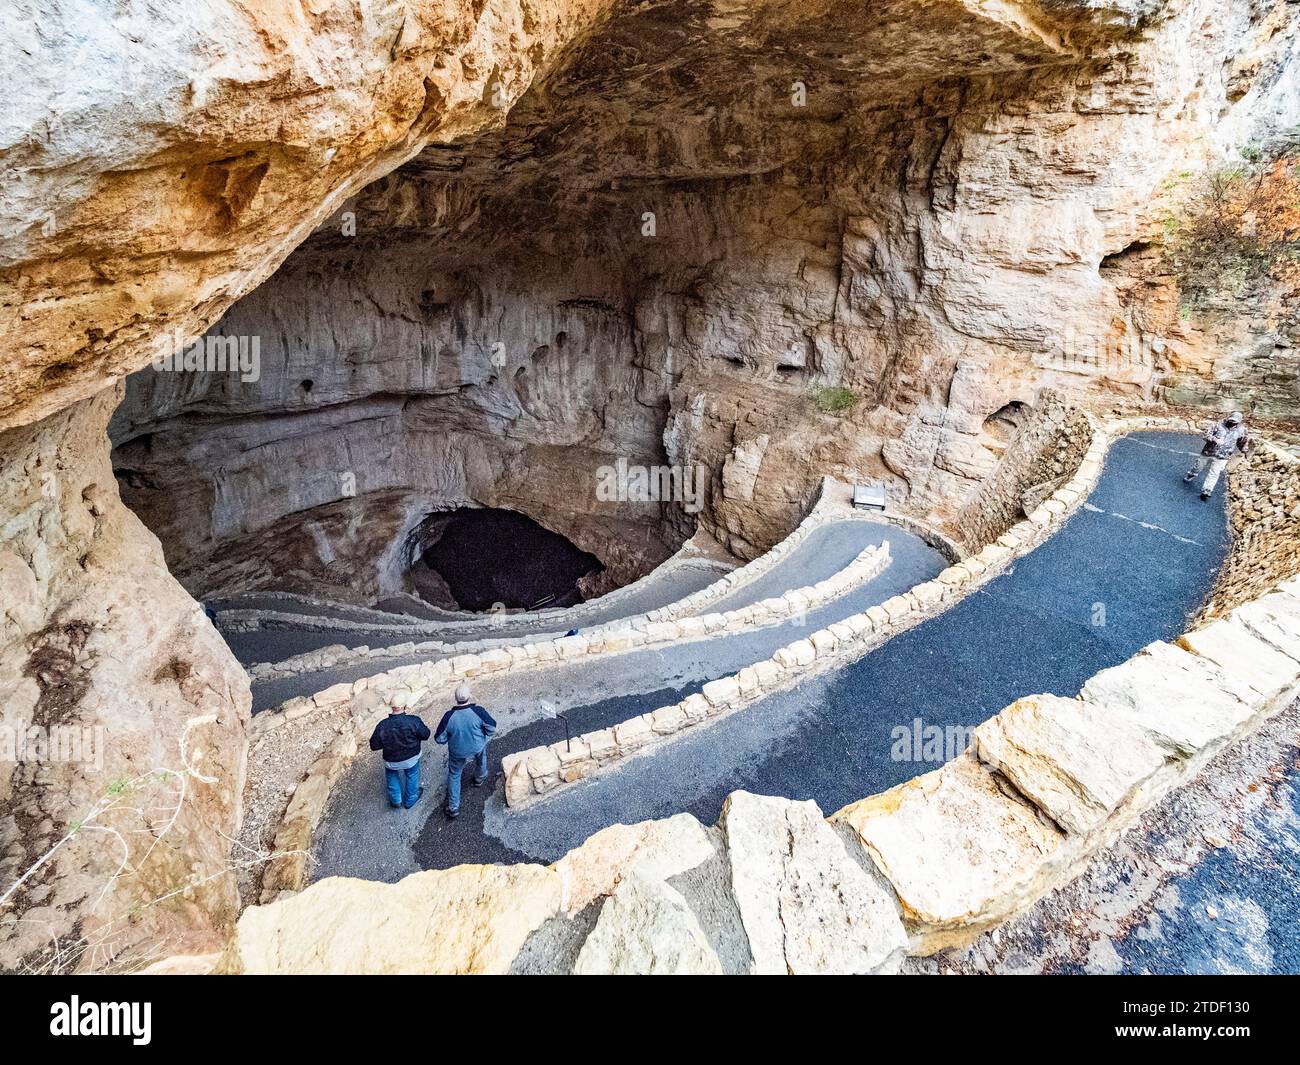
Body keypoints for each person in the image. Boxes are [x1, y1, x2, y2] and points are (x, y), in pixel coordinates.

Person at [435, 683, 497, 821]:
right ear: (469, 696)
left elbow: (439, 739)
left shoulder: (449, 716)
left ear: (455, 698)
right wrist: (482, 734)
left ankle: (453, 807)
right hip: (477, 745)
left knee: (454, 774)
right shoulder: (478, 711)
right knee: (481, 758)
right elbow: (492, 728)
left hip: (458, 751)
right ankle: (479, 778)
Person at [368, 695, 430, 809]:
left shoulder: (382, 725)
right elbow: (426, 734)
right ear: (404, 706)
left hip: (391, 760)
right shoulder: (413, 721)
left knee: (391, 774)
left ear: (392, 707)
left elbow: (374, 746)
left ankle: (396, 800)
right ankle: (410, 799)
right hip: (411, 758)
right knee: (412, 774)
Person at [1185, 410, 1250, 501]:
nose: (1232, 422)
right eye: (1231, 420)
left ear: (1239, 422)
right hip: (1208, 452)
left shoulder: (1241, 430)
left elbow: (1242, 442)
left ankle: (1207, 490)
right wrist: (1214, 439)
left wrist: (1244, 452)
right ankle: (1191, 475)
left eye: (1235, 421)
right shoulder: (1218, 425)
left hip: (1223, 456)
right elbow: (1205, 434)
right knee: (1198, 467)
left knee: (1214, 473)